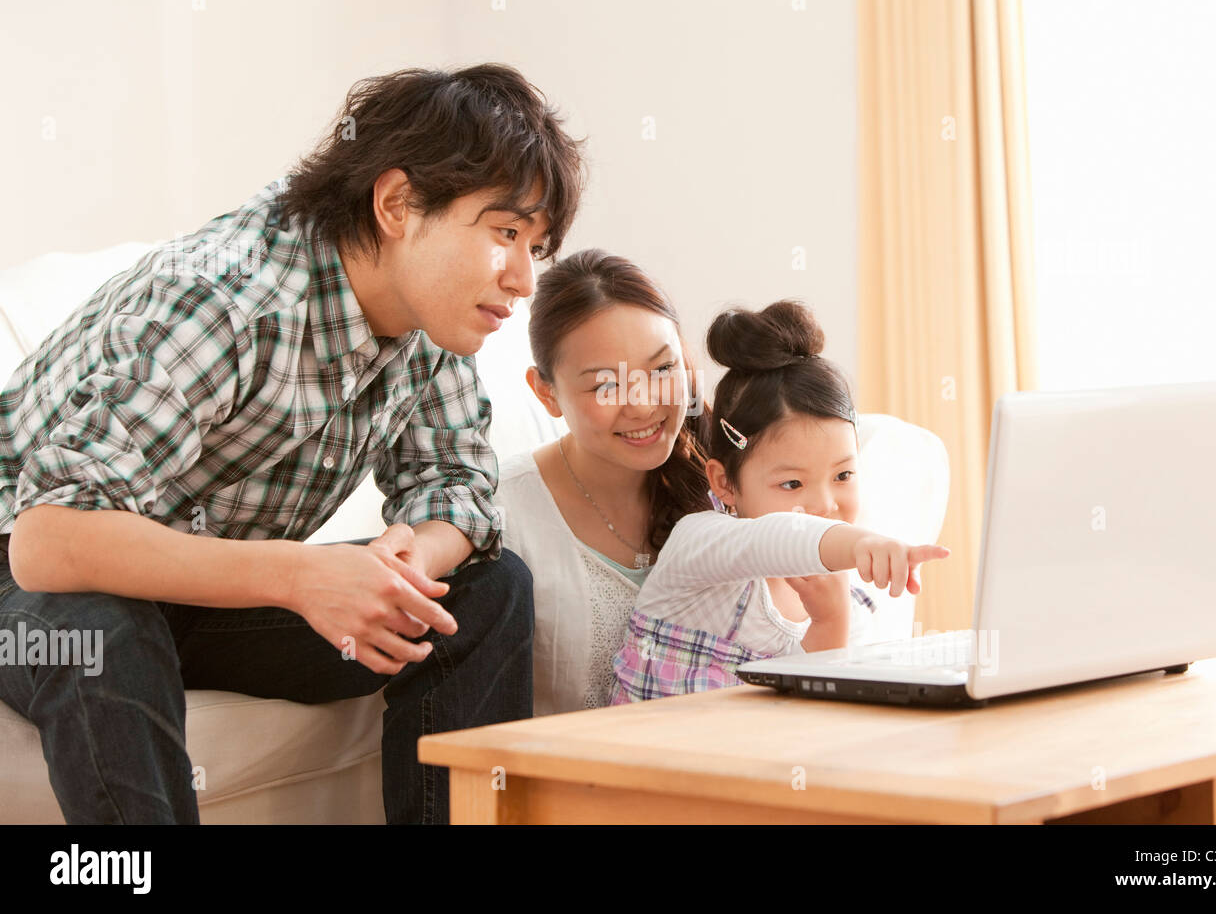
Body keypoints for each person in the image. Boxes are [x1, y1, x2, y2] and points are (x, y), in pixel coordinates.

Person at [0, 64, 585, 823]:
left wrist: (406, 564)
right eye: (506, 233)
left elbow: (455, 487)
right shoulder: (227, 298)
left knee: (488, 588)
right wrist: (300, 576)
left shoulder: (432, 315)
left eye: (535, 246)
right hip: (31, 575)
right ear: (397, 203)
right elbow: (49, 541)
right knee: (105, 634)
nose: (524, 279)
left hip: (201, 584)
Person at [609, 300, 951, 704]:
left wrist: (831, 621)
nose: (824, 505)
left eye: (843, 475)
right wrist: (860, 543)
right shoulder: (699, 544)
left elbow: (804, 716)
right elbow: (779, 537)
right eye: (792, 483)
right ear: (725, 483)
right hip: (644, 743)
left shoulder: (849, 599)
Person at [493, 249, 711, 715]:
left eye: (662, 369)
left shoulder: (724, 484)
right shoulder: (504, 516)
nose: (643, 405)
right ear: (546, 393)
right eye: (606, 386)